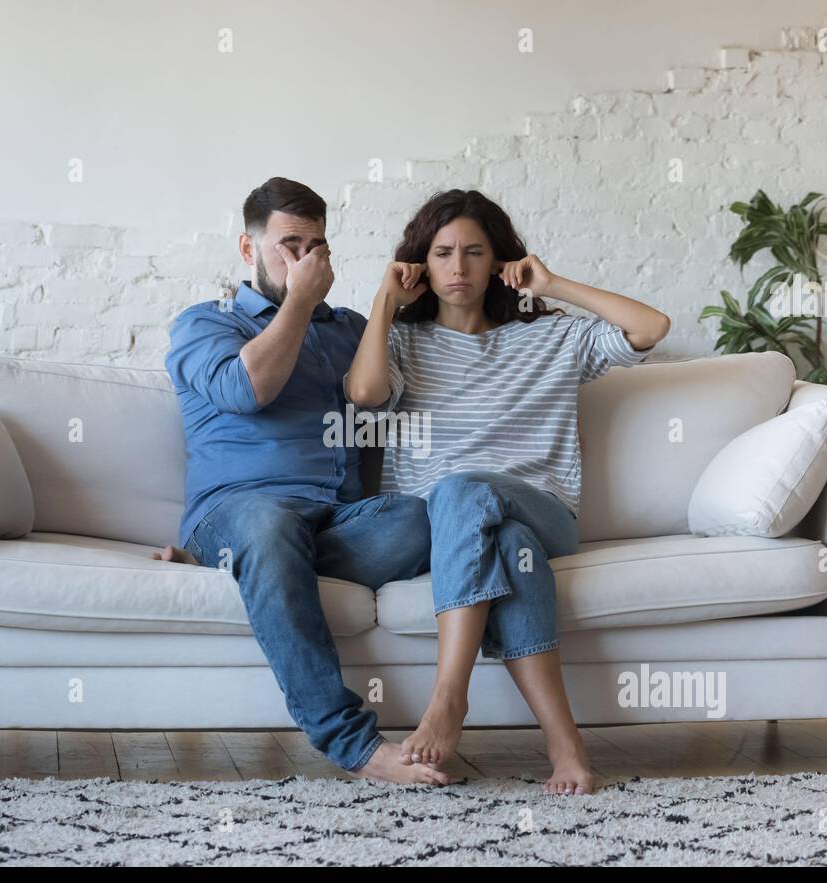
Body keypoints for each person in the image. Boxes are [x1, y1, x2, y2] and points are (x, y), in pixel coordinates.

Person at [345, 188, 671, 795]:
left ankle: (449, 696)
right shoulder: (403, 343)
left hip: (544, 509)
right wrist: (384, 302)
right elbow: (364, 396)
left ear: (499, 261)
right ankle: (566, 748)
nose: (458, 268)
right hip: (454, 526)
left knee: (467, 490)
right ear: (421, 263)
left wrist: (552, 285)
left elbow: (652, 327)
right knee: (507, 542)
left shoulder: (551, 337)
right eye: (442, 254)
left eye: (474, 252)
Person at [160, 176, 451, 786]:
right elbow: (247, 389)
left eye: (316, 247)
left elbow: (379, 403)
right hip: (239, 511)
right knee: (267, 528)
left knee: (431, 517)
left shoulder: (345, 329)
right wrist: (298, 301)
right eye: (289, 245)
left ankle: (252, 568)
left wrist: (386, 304)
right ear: (248, 249)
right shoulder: (204, 325)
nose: (305, 261)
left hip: (338, 522)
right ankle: (352, 743)